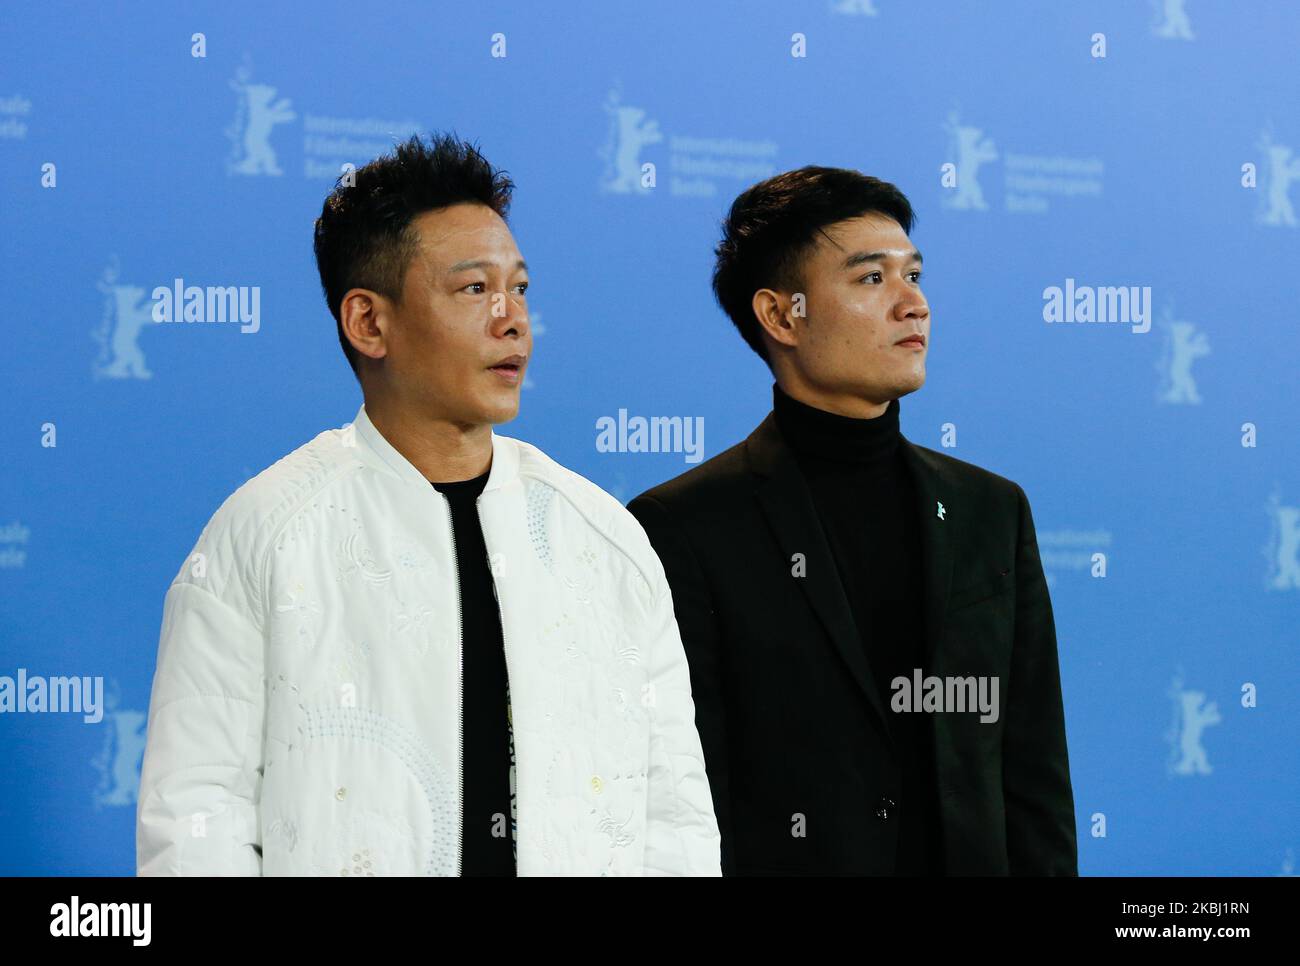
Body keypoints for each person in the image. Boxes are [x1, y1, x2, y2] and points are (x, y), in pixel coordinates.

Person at [137, 132, 720, 876]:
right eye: (475, 289)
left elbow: (674, 824)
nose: (512, 320)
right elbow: (195, 826)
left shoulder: (604, 540)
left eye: (520, 288)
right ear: (368, 323)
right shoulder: (260, 538)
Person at [628, 166, 1076, 875]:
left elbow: (1033, 774)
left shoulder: (991, 511)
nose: (913, 305)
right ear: (781, 315)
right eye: (872, 279)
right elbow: (688, 796)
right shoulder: (683, 526)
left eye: (915, 275)